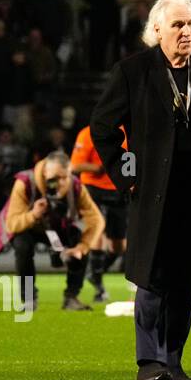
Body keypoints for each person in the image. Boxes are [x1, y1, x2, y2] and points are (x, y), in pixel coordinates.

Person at [91, 0, 191, 380]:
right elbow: (103, 129)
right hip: (154, 192)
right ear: (156, 29)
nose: (187, 31)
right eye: (178, 25)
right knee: (152, 277)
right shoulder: (133, 72)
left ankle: (173, 363)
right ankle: (148, 363)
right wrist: (129, 176)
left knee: (185, 282)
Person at [3, 150, 104, 311]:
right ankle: (29, 300)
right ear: (44, 172)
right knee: (22, 245)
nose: (61, 183)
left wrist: (82, 246)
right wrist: (33, 215)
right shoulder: (25, 183)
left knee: (80, 242)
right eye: (55, 178)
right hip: (31, 228)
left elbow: (96, 220)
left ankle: (71, 297)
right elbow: (11, 224)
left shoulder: (76, 186)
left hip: (58, 228)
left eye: (65, 177)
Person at [71, 122, 127, 303]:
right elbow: (75, 165)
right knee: (98, 232)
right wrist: (97, 168)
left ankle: (95, 272)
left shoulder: (130, 132)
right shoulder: (87, 133)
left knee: (119, 246)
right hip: (93, 189)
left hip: (119, 190)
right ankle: (99, 287)